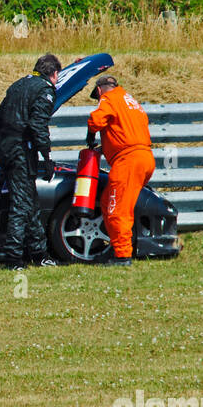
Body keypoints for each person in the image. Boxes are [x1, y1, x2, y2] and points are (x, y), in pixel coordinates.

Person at [0, 53, 61, 270]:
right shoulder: (44, 89)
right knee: (21, 205)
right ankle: (13, 259)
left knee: (30, 203)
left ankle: (39, 254)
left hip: (5, 149)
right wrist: (47, 157)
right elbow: (38, 124)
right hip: (21, 152)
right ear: (54, 73)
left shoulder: (18, 85)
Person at [85, 76, 154, 267]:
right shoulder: (130, 101)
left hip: (128, 162)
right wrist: (106, 148)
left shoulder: (109, 99)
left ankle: (123, 257)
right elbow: (125, 132)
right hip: (145, 157)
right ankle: (116, 249)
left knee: (117, 210)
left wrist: (90, 135)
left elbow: (96, 120)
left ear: (99, 91)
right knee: (110, 202)